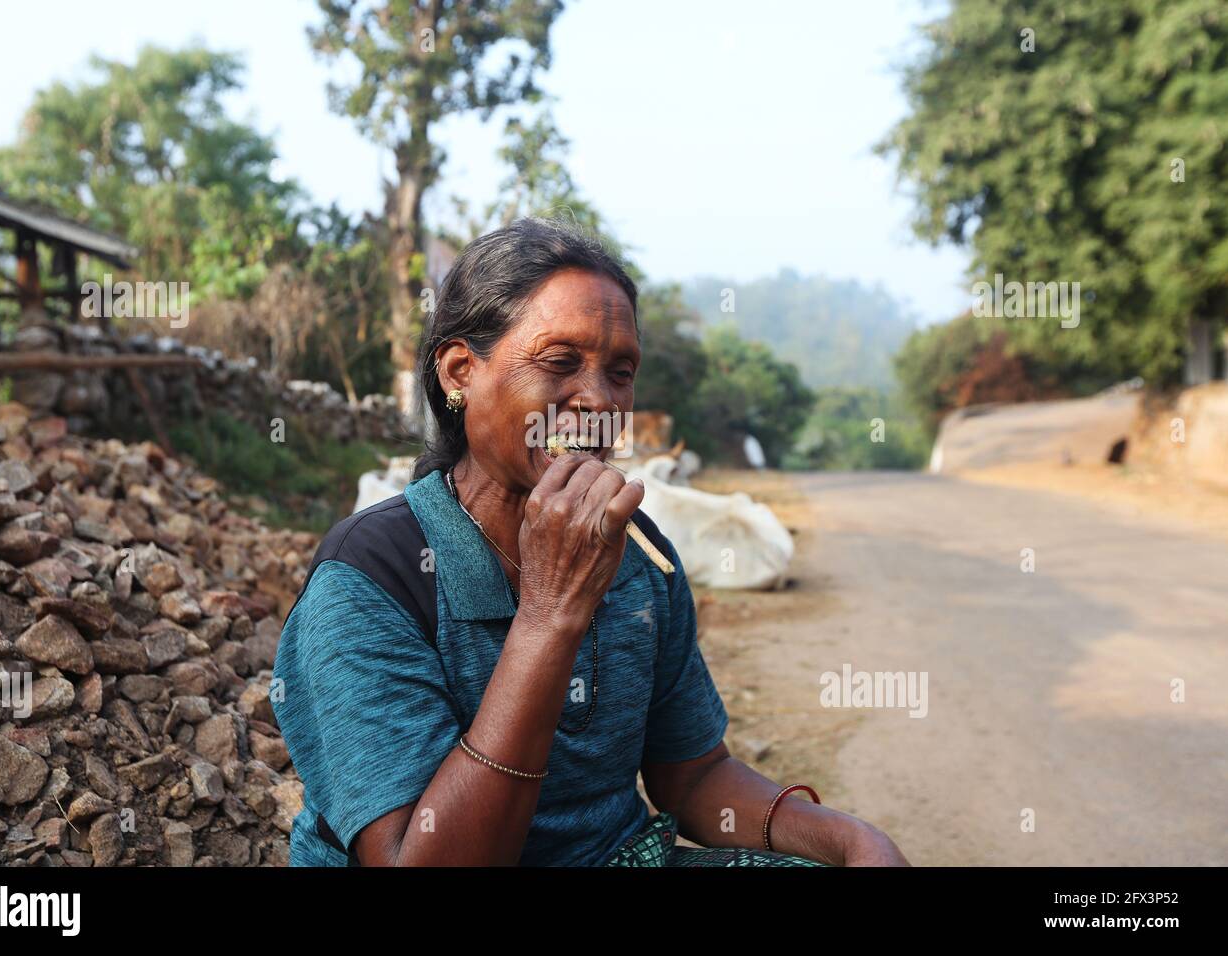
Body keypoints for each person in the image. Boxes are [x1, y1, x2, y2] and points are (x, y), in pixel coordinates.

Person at [272, 217, 910, 867]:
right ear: (461, 371)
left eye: (621, 371)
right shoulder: (372, 578)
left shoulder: (638, 556)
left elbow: (689, 776)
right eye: (561, 362)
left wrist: (852, 839)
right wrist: (551, 615)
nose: (598, 400)